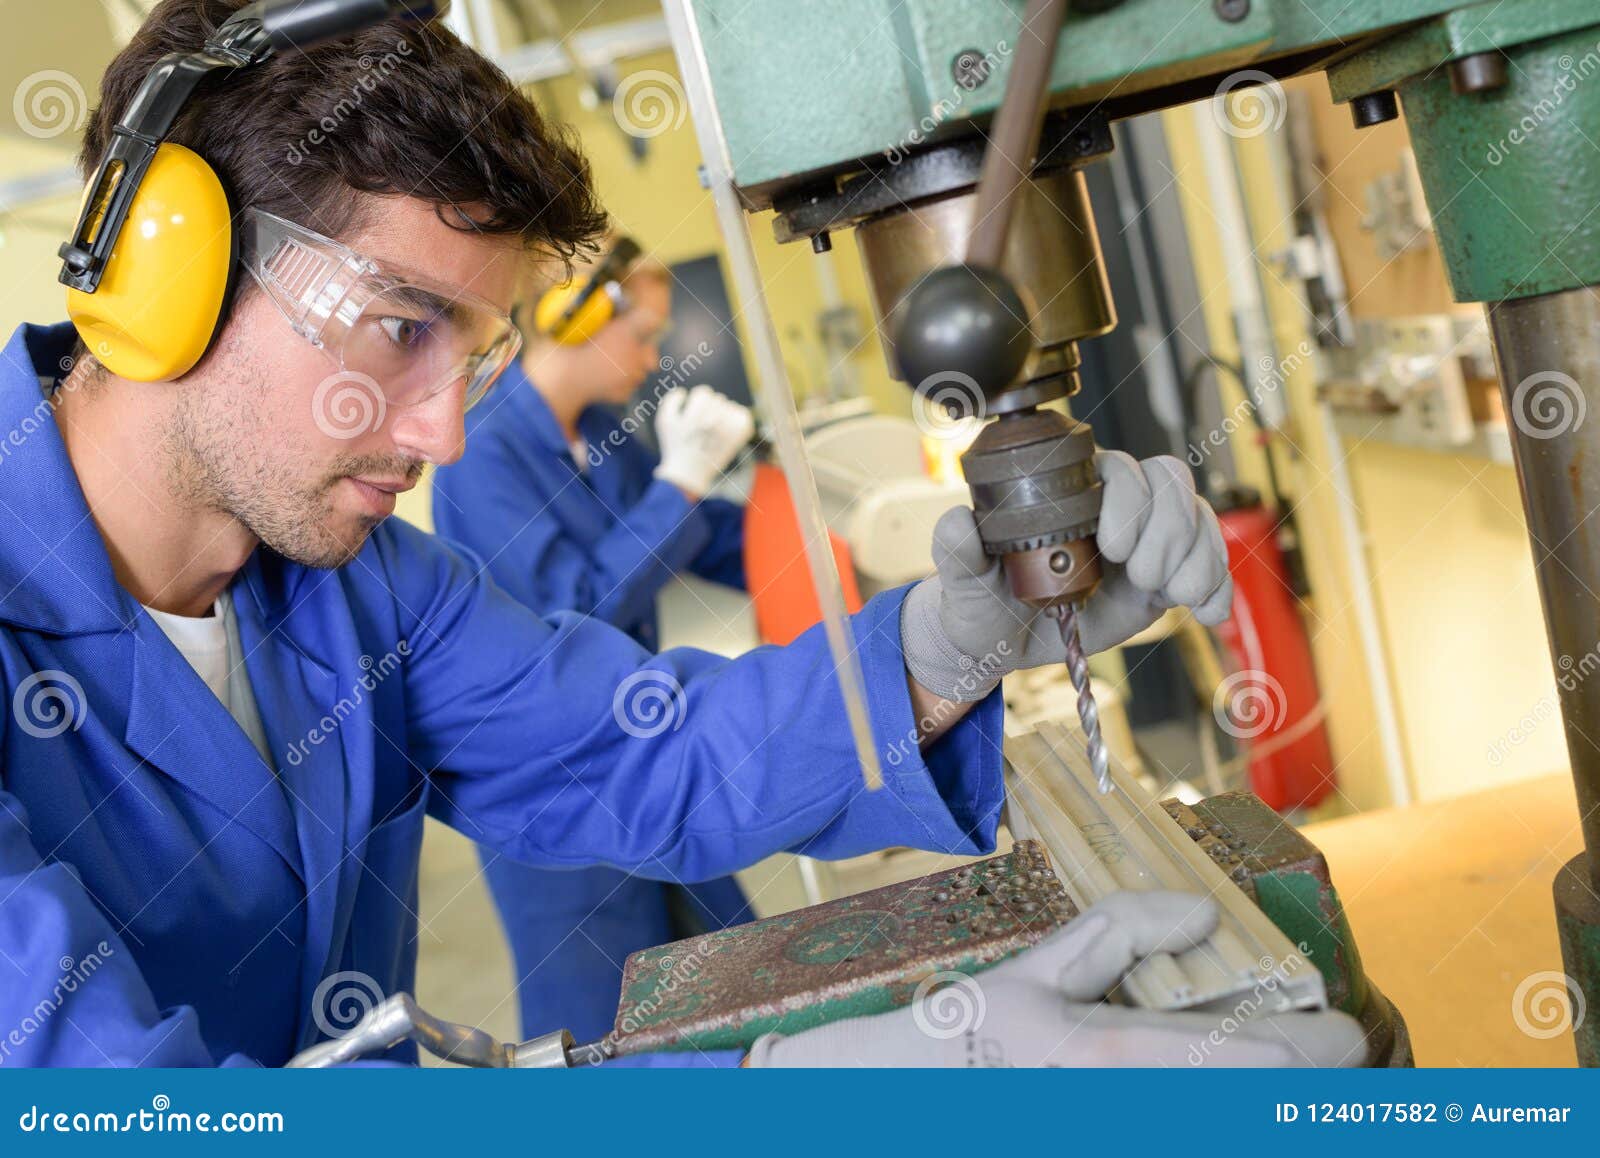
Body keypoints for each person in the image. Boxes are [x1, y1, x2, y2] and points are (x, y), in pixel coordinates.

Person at [0, 0, 1360, 1068]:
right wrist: (796, 1085)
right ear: (158, 264)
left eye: (468, 361)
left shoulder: (357, 593)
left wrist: (954, 646)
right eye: (401, 328)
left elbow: (654, 749)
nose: (441, 438)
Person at [432, 244, 756, 1043]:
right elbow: (576, 605)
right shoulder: (479, 454)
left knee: (736, 971)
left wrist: (818, 547)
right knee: (599, 1018)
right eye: (644, 334)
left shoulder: (605, 428)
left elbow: (688, 537)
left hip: (645, 751)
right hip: (553, 779)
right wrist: (680, 482)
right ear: (570, 320)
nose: (652, 360)